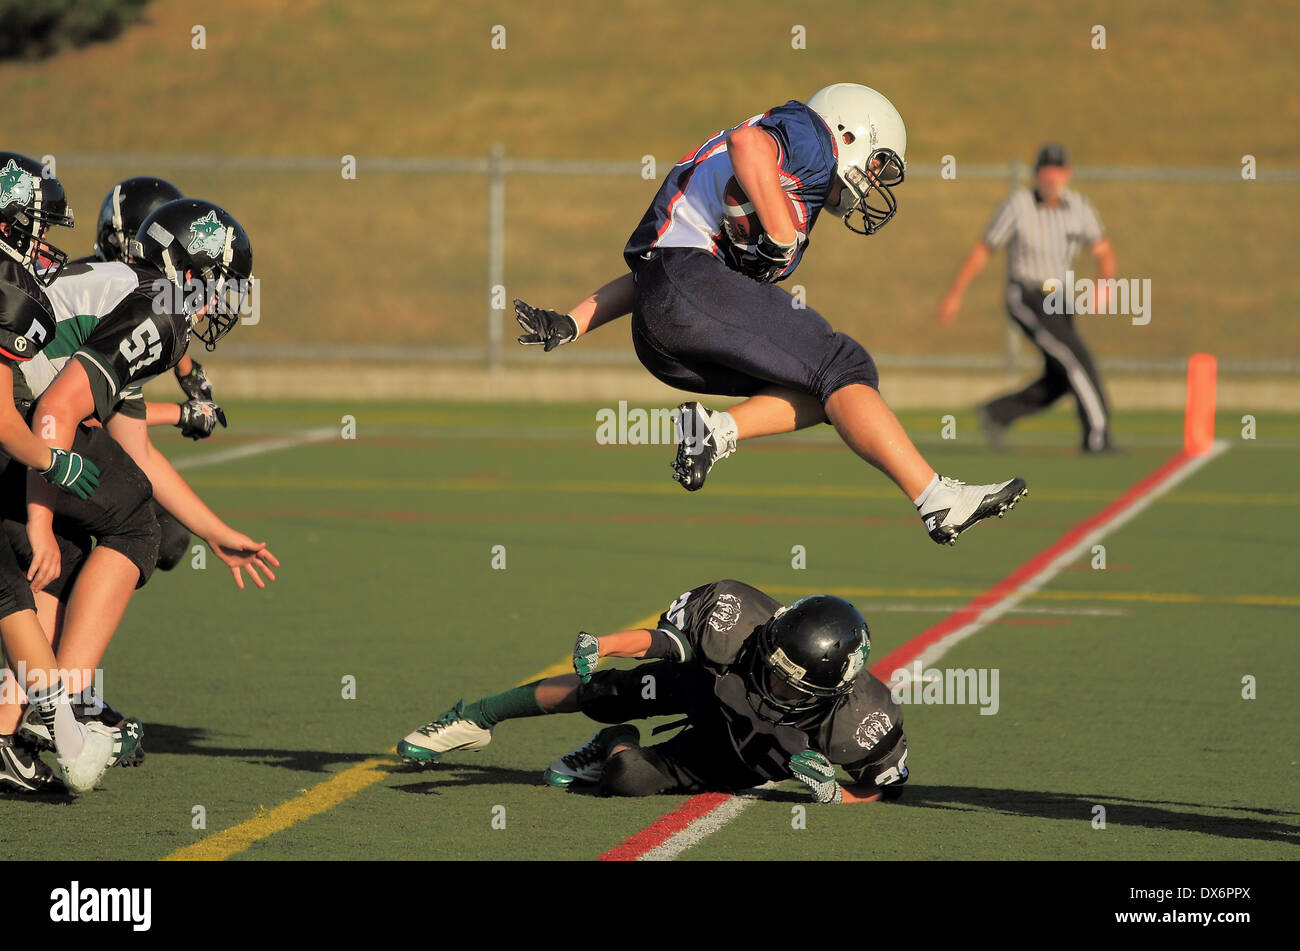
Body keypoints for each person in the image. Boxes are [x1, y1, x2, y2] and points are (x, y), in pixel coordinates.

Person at [514, 83, 1026, 546]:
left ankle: (715, 432)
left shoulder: (790, 187)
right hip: (684, 288)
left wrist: (573, 322)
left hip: (662, 330)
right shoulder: (810, 137)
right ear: (848, 134)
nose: (872, 184)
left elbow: (657, 274)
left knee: (828, 391)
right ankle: (937, 498)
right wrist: (781, 233)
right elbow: (746, 146)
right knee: (845, 367)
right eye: (875, 165)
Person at [2, 196, 277, 781]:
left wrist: (217, 533)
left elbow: (137, 455)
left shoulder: (129, 289)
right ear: (190, 271)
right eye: (222, 282)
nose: (225, 300)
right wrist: (41, 520)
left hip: (18, 416)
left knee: (82, 534)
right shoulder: (159, 308)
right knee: (132, 525)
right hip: (16, 419)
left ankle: (20, 712)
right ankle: (62, 708)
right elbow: (55, 408)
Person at [397, 581, 909, 804]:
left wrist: (836, 794)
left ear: (831, 690)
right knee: (604, 689)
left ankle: (612, 742)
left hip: (734, 753)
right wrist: (607, 644)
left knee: (627, 779)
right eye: (772, 666)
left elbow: (885, 787)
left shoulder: (863, 721)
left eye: (785, 682)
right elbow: (670, 642)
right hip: (707, 686)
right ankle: (476, 717)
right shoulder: (739, 622)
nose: (770, 683)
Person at [0, 151, 123, 793]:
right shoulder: (5, 286)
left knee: (10, 580)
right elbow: (3, 421)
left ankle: (44, 724)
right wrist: (57, 459)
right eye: (33, 225)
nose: (42, 242)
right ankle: (60, 726)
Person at [937, 143, 1117, 452]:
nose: (1051, 179)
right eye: (1045, 173)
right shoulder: (1019, 205)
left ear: (1067, 174)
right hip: (1028, 296)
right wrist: (955, 294)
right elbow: (984, 250)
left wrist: (1105, 286)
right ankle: (1097, 435)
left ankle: (996, 413)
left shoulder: (1078, 207)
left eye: (1057, 172)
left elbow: (1103, 251)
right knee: (1076, 360)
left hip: (1060, 300)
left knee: (1061, 376)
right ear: (1036, 175)